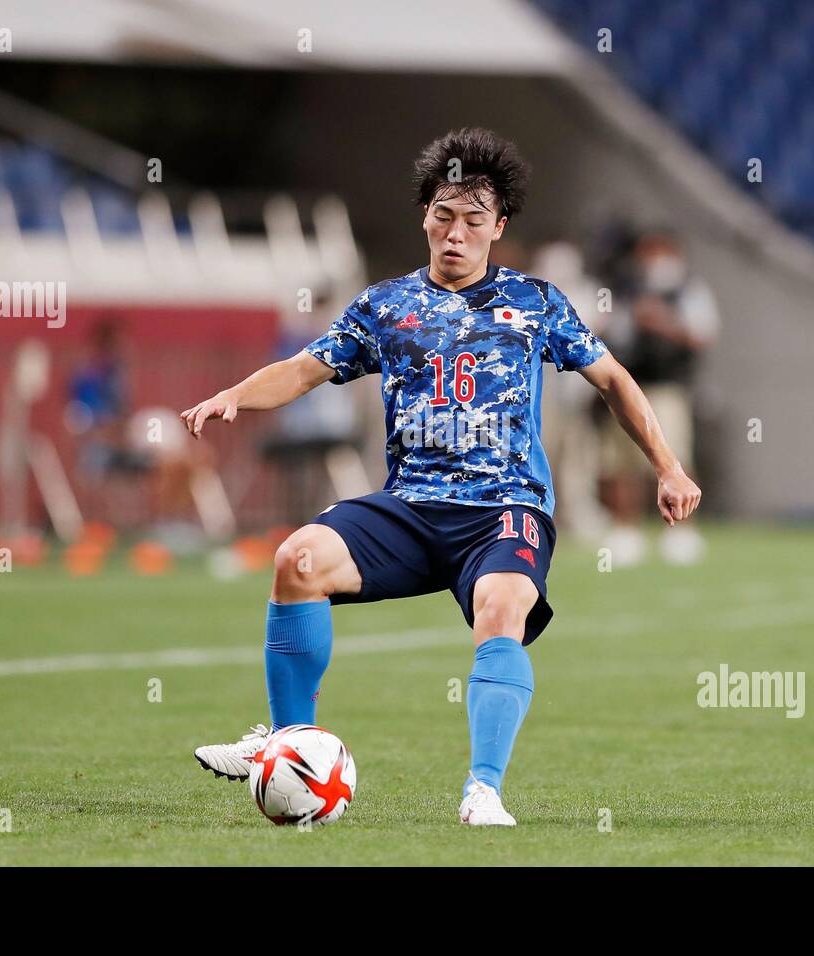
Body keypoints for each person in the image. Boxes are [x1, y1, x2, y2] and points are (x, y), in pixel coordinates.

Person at [180, 128, 701, 827]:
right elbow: (305, 369)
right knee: (295, 560)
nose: (456, 233)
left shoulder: (537, 302)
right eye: (443, 216)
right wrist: (235, 395)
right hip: (410, 508)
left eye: (473, 221)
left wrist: (667, 466)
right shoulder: (384, 306)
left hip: (503, 508)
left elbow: (611, 378)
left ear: (498, 227)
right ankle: (286, 742)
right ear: (425, 215)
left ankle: (482, 790)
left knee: (503, 603)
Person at [599, 231, 718, 565]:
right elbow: (605, 332)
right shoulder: (625, 288)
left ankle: (681, 531)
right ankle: (626, 529)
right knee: (622, 461)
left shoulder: (688, 289)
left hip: (668, 386)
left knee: (674, 455)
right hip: (629, 385)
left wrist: (662, 322)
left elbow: (703, 334)